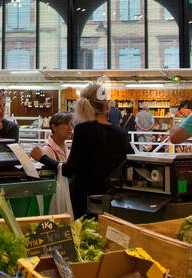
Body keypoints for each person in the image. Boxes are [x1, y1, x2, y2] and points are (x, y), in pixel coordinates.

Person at [36, 82, 131, 216]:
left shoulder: (83, 130)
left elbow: (69, 169)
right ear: (106, 105)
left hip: (85, 201)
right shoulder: (121, 133)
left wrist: (42, 157)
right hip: (114, 202)